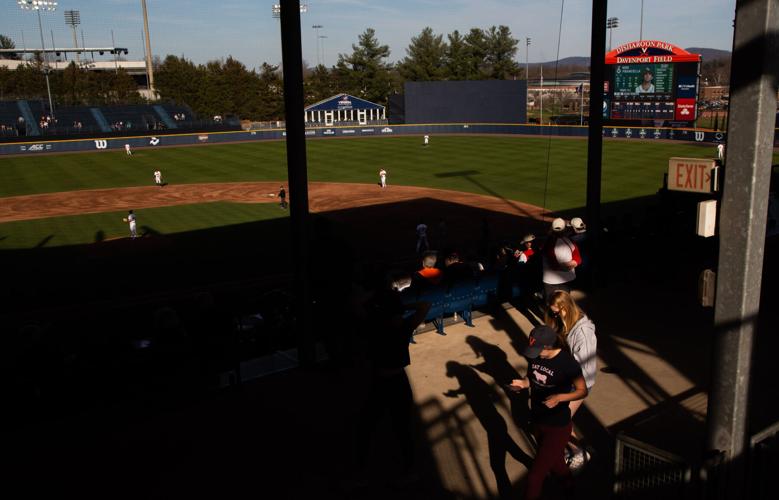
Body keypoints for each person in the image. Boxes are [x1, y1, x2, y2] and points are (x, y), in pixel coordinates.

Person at [509, 325, 588, 500]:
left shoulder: (567, 364)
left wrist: (560, 397)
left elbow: (583, 390)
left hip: (558, 427)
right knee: (558, 465)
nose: (534, 354)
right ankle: (571, 493)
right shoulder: (535, 357)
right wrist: (523, 383)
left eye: (537, 350)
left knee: (535, 477)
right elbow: (532, 377)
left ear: (548, 347)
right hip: (538, 421)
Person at [545, 290, 597, 468]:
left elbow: (583, 365)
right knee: (562, 419)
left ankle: (578, 453)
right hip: (570, 381)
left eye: (556, 312)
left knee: (560, 420)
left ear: (565, 307)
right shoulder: (567, 323)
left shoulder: (583, 332)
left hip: (579, 384)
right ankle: (576, 449)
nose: (554, 316)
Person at [542, 218, 581, 299]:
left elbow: (554, 264)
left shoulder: (548, 242)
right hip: (566, 279)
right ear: (564, 229)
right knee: (564, 306)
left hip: (552, 282)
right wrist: (571, 264)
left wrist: (565, 266)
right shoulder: (569, 241)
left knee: (551, 306)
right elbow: (578, 259)